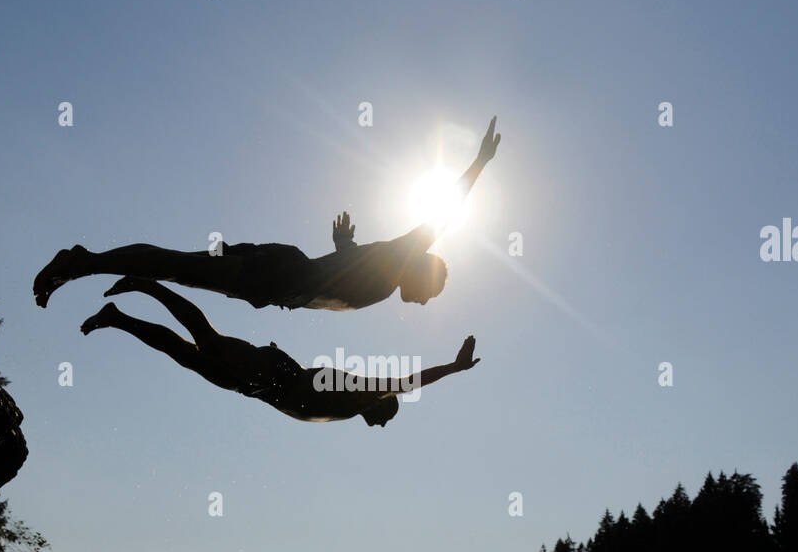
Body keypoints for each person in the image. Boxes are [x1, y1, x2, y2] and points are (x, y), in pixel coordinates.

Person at [34, 117, 502, 311]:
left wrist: (344, 248)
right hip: (273, 270)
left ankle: (90, 264)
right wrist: (479, 162)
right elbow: (449, 210)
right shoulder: (406, 253)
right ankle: (81, 262)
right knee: (174, 265)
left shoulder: (384, 278)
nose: (422, 303)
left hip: (272, 281)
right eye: (430, 292)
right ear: (422, 268)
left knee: (178, 269)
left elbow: (343, 272)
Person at [78, 279, 480, 426]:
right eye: (384, 417)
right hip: (270, 373)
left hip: (257, 387)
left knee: (188, 355)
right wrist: (454, 368)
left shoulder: (352, 407)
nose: (380, 426)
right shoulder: (365, 392)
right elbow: (411, 382)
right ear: (381, 402)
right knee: (204, 339)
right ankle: (145, 285)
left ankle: (118, 318)